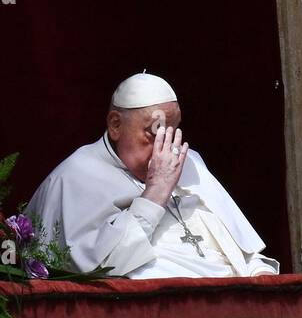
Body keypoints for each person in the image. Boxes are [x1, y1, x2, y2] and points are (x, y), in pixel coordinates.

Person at [27, 72, 279, 278]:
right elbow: (97, 268)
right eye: (153, 132)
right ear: (115, 125)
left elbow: (239, 247)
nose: (165, 149)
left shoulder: (188, 160)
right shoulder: (75, 175)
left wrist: (259, 271)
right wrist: (156, 190)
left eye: (172, 131)